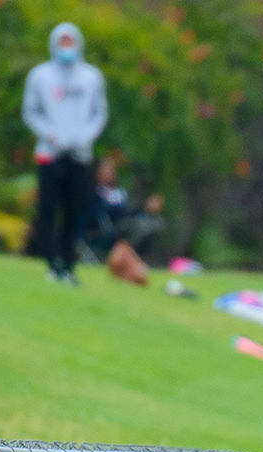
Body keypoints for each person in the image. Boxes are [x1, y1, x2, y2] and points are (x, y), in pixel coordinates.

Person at [23, 22, 108, 285]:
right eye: (62, 43)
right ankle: (51, 262)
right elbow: (30, 111)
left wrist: (84, 137)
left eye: (70, 43)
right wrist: (50, 134)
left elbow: (99, 113)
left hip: (79, 154)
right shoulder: (40, 76)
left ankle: (69, 265)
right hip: (50, 153)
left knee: (75, 211)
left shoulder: (91, 77)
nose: (66, 49)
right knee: (47, 210)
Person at [82, 156, 166, 287]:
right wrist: (106, 203)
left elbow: (127, 213)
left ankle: (137, 258)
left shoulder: (118, 193)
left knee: (156, 224)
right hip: (104, 229)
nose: (109, 174)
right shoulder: (93, 192)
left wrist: (145, 208)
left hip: (123, 225)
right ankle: (130, 259)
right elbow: (92, 214)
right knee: (141, 227)